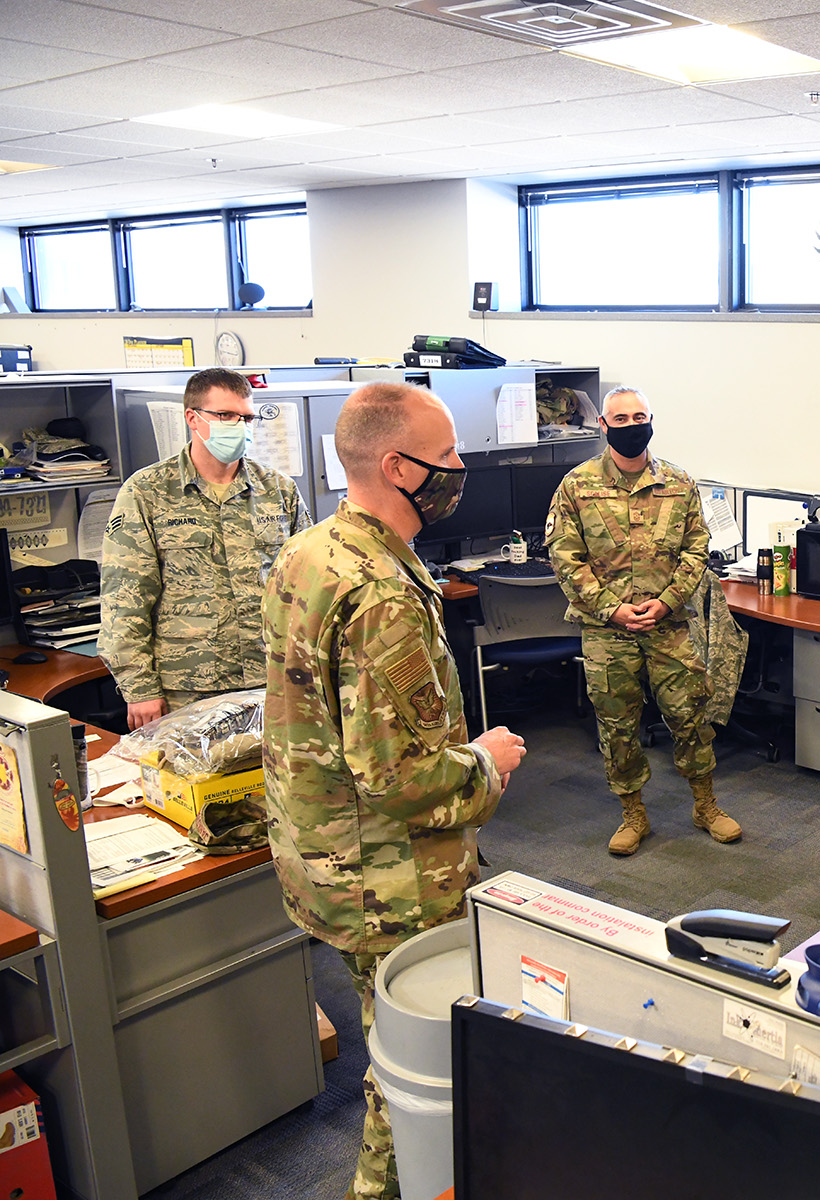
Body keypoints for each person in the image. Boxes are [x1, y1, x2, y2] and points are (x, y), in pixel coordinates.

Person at [262, 382, 527, 1200]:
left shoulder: (312, 550)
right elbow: (403, 779)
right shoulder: (379, 594)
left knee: (392, 1041)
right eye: (446, 456)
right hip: (387, 877)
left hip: (319, 855)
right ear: (395, 465)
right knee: (419, 1062)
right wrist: (488, 760)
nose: (459, 469)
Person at [545, 386, 739, 855]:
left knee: (690, 714)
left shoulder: (678, 481)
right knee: (617, 726)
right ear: (604, 426)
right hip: (606, 629)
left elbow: (697, 548)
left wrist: (669, 601)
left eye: (640, 416)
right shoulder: (577, 485)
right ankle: (633, 813)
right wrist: (611, 607)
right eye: (621, 418)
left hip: (668, 624)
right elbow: (565, 556)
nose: (632, 425)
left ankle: (705, 804)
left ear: (651, 419)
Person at [101, 367, 310, 729]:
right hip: (187, 689)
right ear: (192, 418)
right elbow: (125, 599)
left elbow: (309, 583)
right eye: (225, 415)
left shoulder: (278, 490)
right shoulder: (147, 492)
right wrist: (139, 688)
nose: (239, 426)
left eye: (246, 418)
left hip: (272, 679)